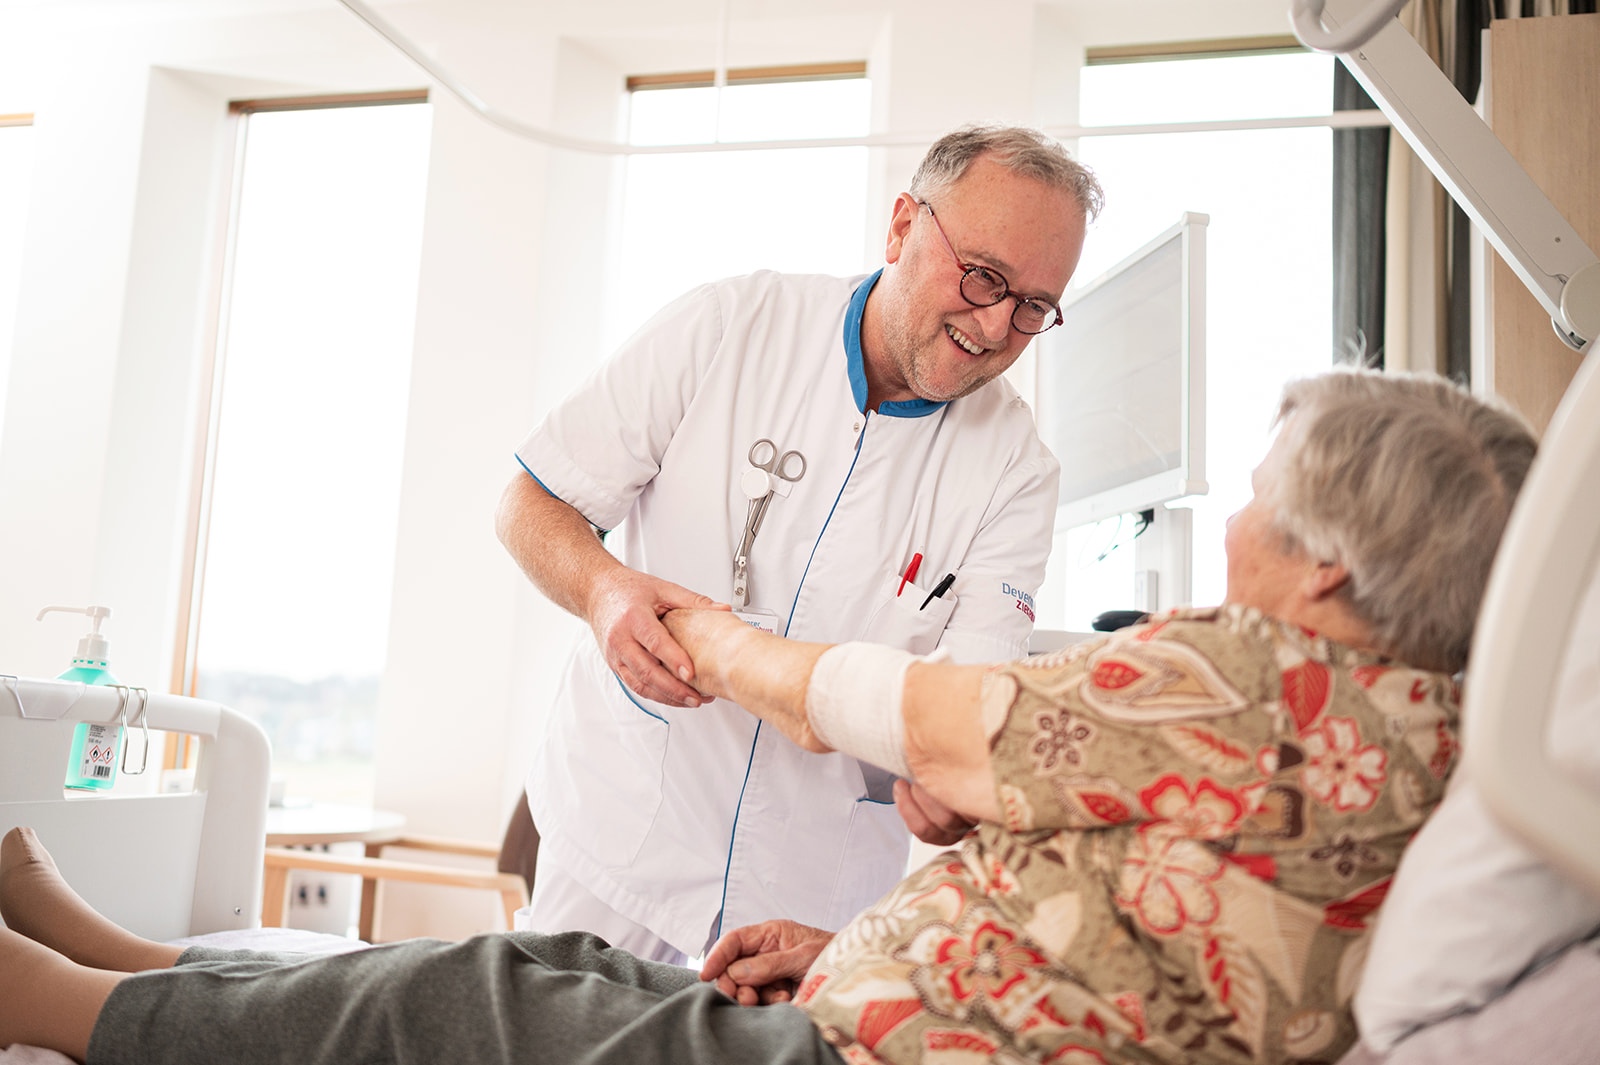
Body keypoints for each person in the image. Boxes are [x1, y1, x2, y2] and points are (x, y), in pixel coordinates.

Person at [0, 369, 1536, 1065]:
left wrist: (725, 644)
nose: (1232, 534)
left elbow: (945, 714)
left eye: (1260, 507)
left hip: (901, 1041)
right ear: (906, 234)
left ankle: (54, 1008)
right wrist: (862, 947)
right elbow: (1152, 918)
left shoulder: (1267, 682)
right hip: (893, 993)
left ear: (1328, 571)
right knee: (549, 961)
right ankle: (139, 972)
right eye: (980, 276)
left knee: (468, 1011)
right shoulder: (1417, 725)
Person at [494, 124, 1103, 962]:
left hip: (810, 904)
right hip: (620, 842)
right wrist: (603, 589)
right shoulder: (731, 327)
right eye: (984, 277)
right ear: (901, 227)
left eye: (1033, 305)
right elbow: (534, 498)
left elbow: (965, 707)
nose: (997, 324)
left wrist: (957, 787)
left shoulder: (1016, 471)